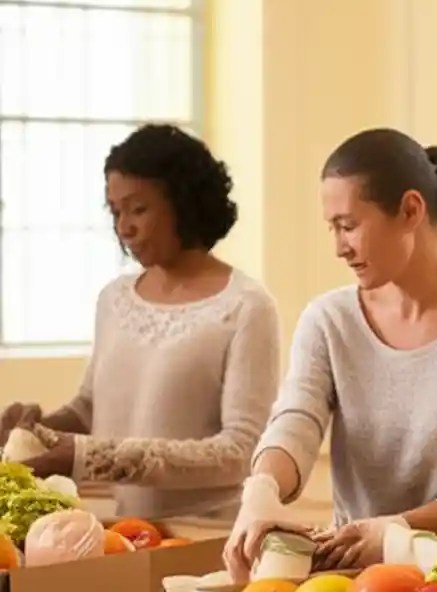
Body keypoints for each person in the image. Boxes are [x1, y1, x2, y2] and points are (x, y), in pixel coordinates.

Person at [221, 129, 437, 581]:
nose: (339, 247)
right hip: (355, 573)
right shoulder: (328, 320)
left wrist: (398, 531)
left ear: (411, 210)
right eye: (331, 228)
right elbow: (297, 419)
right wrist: (263, 490)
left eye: (349, 226)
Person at [0, 124, 281, 520]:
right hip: (123, 531)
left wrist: (91, 459)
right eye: (115, 211)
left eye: (138, 209)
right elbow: (89, 409)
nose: (123, 227)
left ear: (184, 203)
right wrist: (34, 429)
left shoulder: (246, 306)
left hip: (205, 535)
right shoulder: (114, 299)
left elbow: (239, 452)